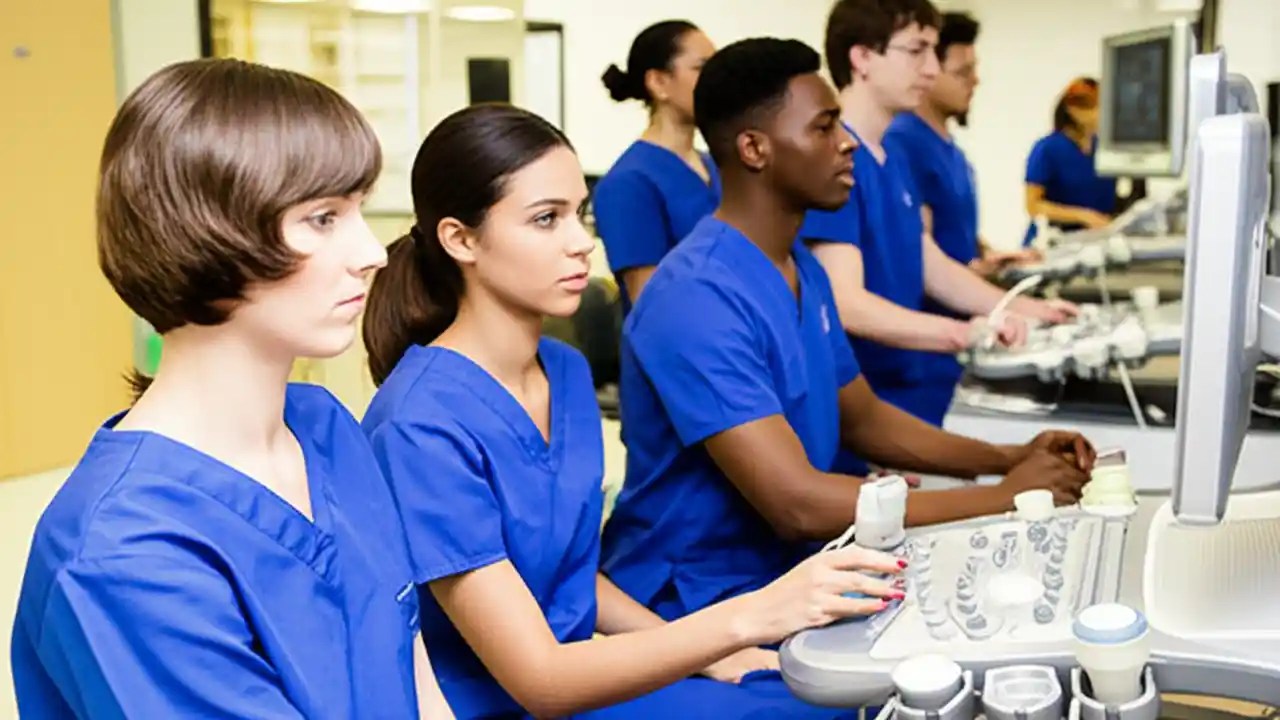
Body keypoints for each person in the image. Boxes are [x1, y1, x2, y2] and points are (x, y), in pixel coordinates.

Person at [360, 102, 901, 720]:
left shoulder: (563, 373)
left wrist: (715, 653)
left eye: (579, 215)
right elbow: (539, 680)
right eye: (546, 220)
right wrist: (748, 616)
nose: (581, 244)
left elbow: (565, 573)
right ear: (460, 239)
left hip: (584, 671)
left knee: (828, 691)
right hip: (504, 702)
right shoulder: (420, 426)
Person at [600, 37, 1094, 628]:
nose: (845, 144)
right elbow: (796, 504)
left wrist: (1011, 457)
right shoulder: (694, 298)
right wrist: (1006, 495)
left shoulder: (796, 267)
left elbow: (863, 418)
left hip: (797, 568)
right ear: (754, 148)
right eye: (823, 128)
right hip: (701, 598)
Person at [10, 59, 451, 719]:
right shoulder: (124, 550)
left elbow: (408, 658)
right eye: (323, 218)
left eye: (358, 210)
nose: (373, 253)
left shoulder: (325, 426)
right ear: (206, 231)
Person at [801, 0, 1075, 433]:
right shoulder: (837, 162)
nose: (931, 70)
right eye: (916, 51)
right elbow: (846, 303)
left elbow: (930, 265)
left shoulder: (888, 158)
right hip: (871, 405)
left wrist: (1027, 309)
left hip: (918, 383)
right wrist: (964, 333)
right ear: (862, 58)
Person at [886, 11, 1036, 278]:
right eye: (963, 72)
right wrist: (976, 273)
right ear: (929, 72)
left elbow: (956, 231)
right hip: (938, 313)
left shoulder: (950, 150)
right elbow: (921, 256)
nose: (975, 80)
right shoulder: (904, 143)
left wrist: (991, 256)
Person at [595, 20, 720, 310]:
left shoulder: (718, 166)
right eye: (702, 68)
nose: (718, 81)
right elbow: (652, 303)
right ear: (659, 82)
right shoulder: (628, 183)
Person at [1022, 77, 1118, 245]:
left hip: (1094, 241)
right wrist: (1084, 216)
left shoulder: (1105, 149)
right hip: (1054, 241)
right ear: (1073, 111)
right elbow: (1033, 205)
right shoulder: (1048, 149)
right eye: (1097, 107)